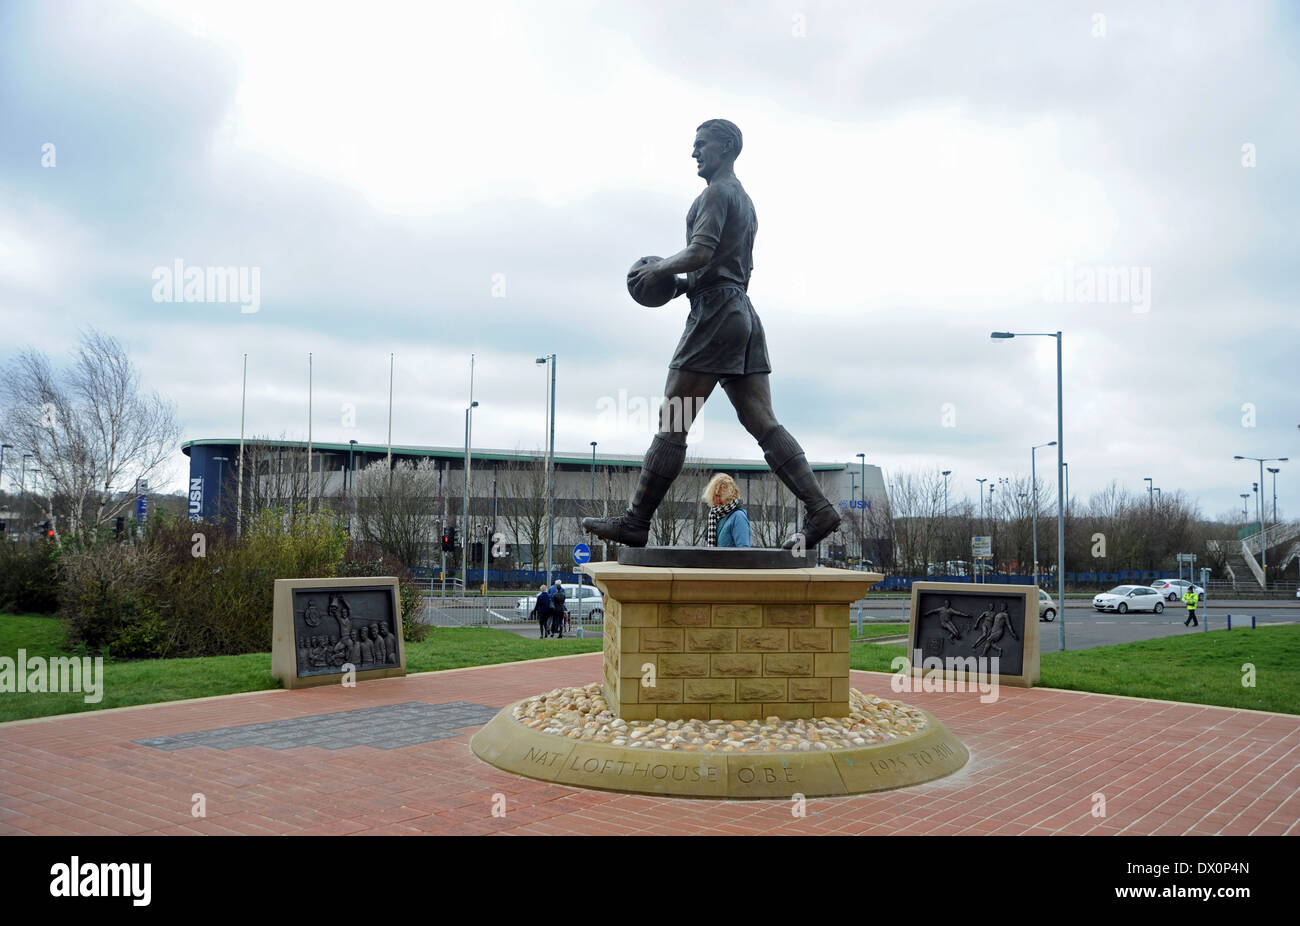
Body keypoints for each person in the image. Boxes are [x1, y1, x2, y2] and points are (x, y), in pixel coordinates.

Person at [582, 119, 840, 554]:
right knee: (762, 422)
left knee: (673, 421)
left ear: (727, 147)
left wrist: (659, 269)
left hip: (717, 315)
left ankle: (636, 522)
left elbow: (701, 253)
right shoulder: (746, 201)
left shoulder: (716, 194)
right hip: (741, 313)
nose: (694, 152)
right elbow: (726, 266)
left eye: (701, 145)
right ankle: (820, 509)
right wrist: (685, 284)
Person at [703, 473, 750, 547]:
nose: (718, 499)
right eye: (716, 495)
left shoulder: (738, 517)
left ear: (730, 496)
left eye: (722, 496)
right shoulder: (714, 515)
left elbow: (744, 551)